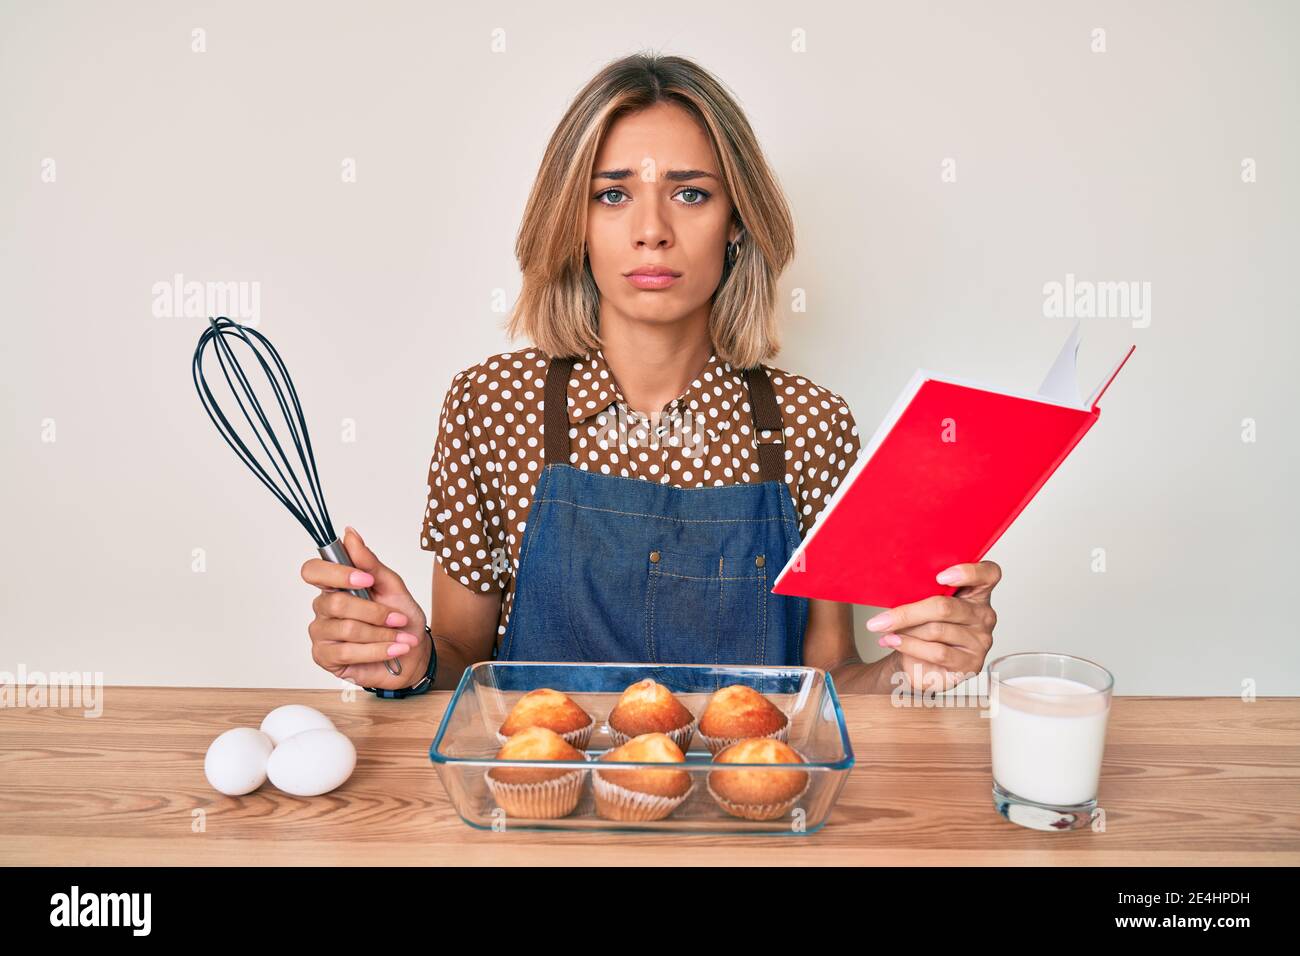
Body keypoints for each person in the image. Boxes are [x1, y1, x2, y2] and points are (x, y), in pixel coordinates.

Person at [301, 52, 1001, 697]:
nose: (652, 230)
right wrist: (407, 658)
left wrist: (909, 672)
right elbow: (460, 655)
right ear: (573, 220)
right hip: (542, 806)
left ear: (736, 221)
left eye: (691, 193)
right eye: (613, 194)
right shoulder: (491, 407)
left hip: (745, 809)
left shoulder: (809, 427)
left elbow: (827, 679)